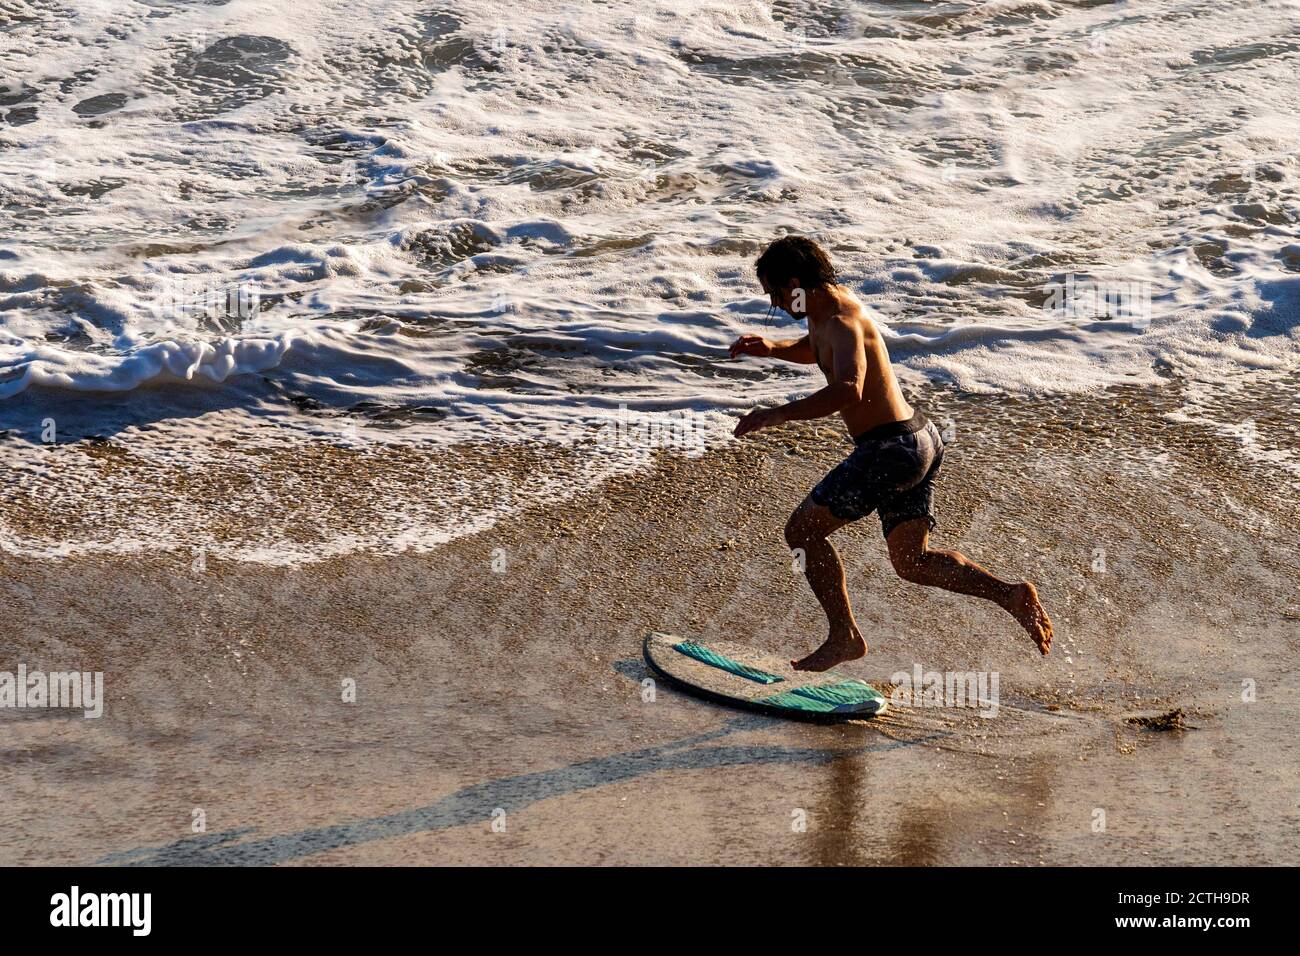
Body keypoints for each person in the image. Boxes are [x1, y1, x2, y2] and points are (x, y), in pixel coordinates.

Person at [729, 235, 1052, 671]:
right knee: (911, 561)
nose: (777, 304)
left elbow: (848, 388)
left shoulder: (841, 319)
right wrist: (773, 348)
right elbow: (817, 350)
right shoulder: (826, 310)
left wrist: (777, 415)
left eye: (776, 293)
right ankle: (1011, 595)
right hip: (919, 439)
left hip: (889, 450)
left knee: (802, 533)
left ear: (794, 282)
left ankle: (844, 636)